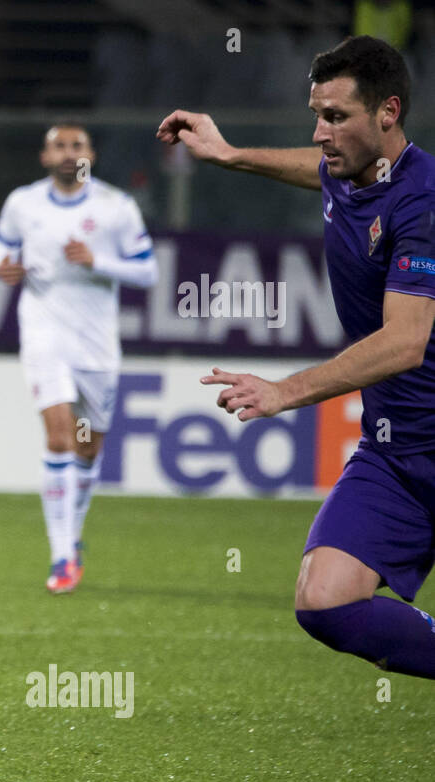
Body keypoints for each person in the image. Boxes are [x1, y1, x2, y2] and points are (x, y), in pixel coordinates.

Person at [158, 35, 435, 679]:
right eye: (316, 114)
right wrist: (228, 155)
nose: (319, 133)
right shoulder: (352, 173)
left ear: (388, 113)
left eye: (336, 117)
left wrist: (286, 391)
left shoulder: (422, 201)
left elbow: (405, 341)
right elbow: (311, 171)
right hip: (396, 453)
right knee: (324, 600)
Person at [0, 123, 158, 594]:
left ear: (91, 154)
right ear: (44, 156)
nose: (68, 153)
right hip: (43, 335)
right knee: (59, 437)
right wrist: (0, 264)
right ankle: (61, 556)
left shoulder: (115, 208)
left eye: (76, 145)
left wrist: (98, 261)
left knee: (87, 448)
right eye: (58, 146)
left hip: (96, 344)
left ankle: (73, 537)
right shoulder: (23, 203)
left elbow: (148, 270)